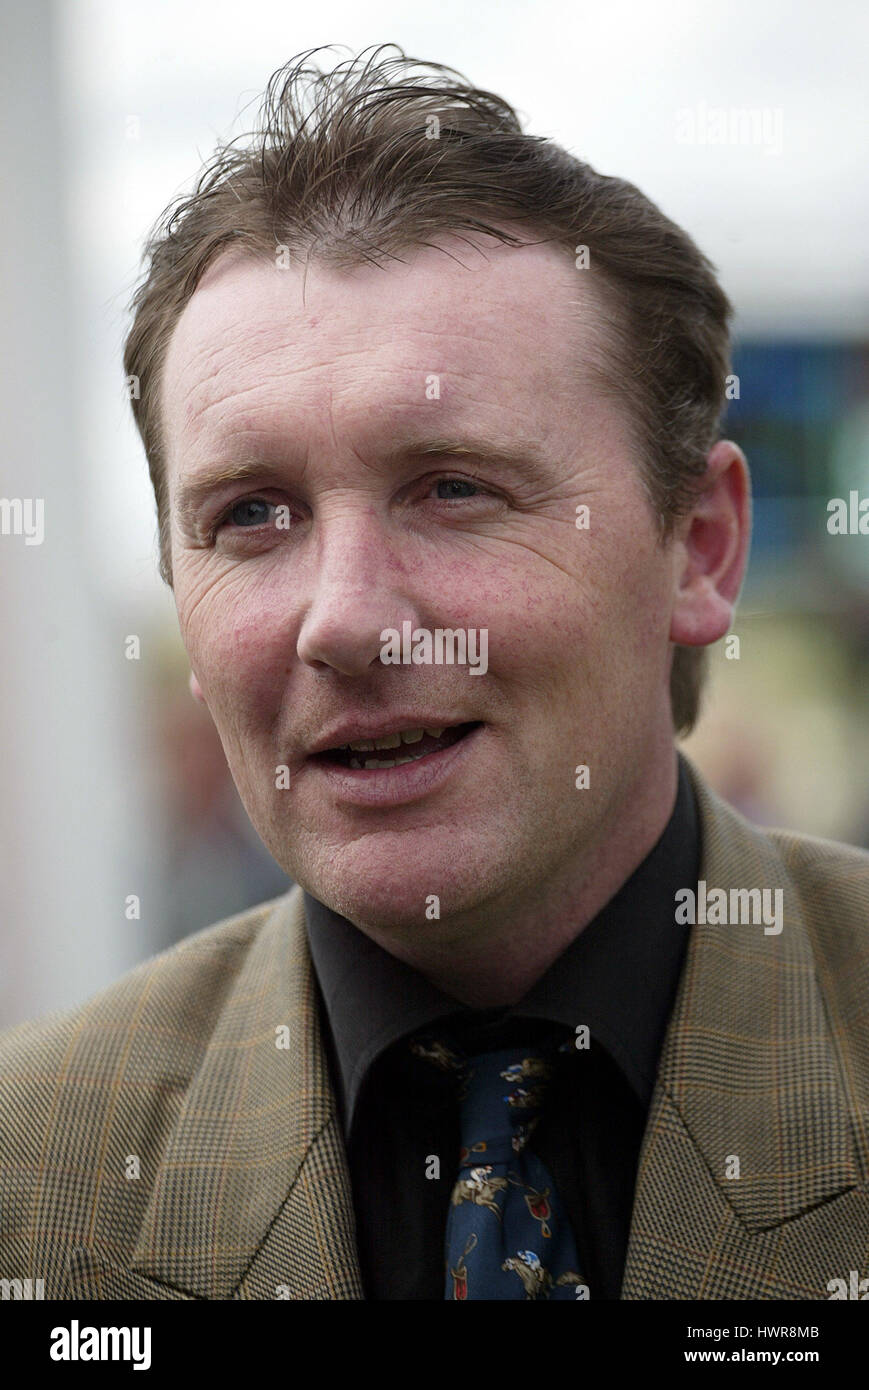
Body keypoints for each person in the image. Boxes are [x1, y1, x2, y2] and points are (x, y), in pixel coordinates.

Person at [1, 44, 867, 1303]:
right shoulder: (34, 1186)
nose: (344, 621)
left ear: (699, 546)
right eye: (252, 514)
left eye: (452, 488)